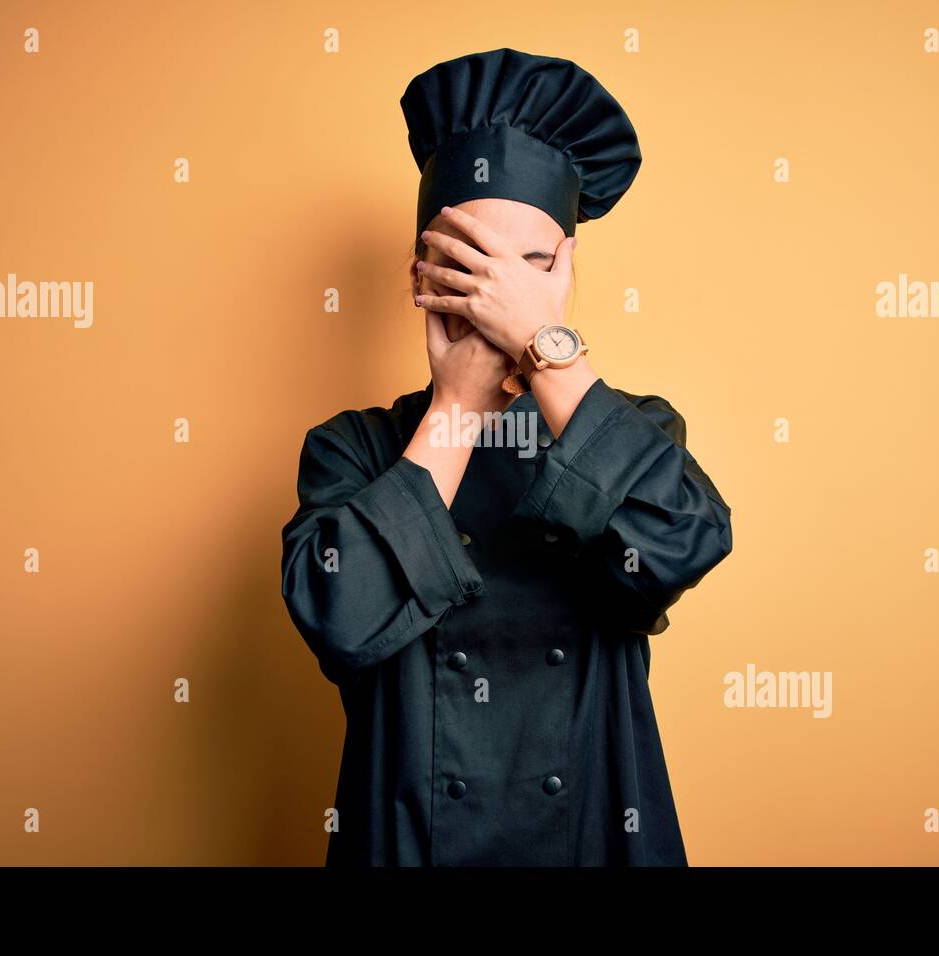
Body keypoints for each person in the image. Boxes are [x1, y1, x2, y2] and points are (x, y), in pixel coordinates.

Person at [281, 47, 733, 866]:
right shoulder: (355, 447)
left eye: (528, 268)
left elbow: (682, 541)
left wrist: (547, 349)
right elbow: (339, 620)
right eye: (469, 266)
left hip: (596, 832)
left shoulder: (637, 428)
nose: (499, 297)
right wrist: (455, 408)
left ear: (565, 277)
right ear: (423, 277)